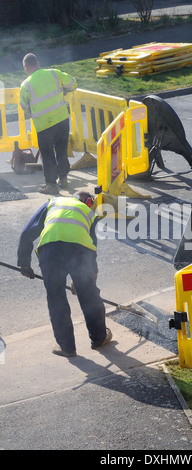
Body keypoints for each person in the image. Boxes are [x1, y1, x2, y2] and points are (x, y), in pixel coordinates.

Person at [17, 191, 112, 357]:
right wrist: (84, 282)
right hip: (80, 250)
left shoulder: (53, 202)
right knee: (89, 295)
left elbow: (27, 233)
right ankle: (99, 338)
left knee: (56, 298)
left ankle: (67, 347)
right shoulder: (89, 213)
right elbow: (92, 250)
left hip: (50, 250)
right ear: (89, 201)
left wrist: (24, 263)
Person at [19, 53, 77, 195]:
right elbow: (73, 83)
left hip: (43, 125)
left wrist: (32, 112)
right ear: (38, 63)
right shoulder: (53, 73)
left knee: (47, 154)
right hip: (62, 120)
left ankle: (51, 185)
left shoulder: (26, 84)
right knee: (61, 150)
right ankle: (64, 179)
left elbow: (24, 106)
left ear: (26, 67)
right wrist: (65, 90)